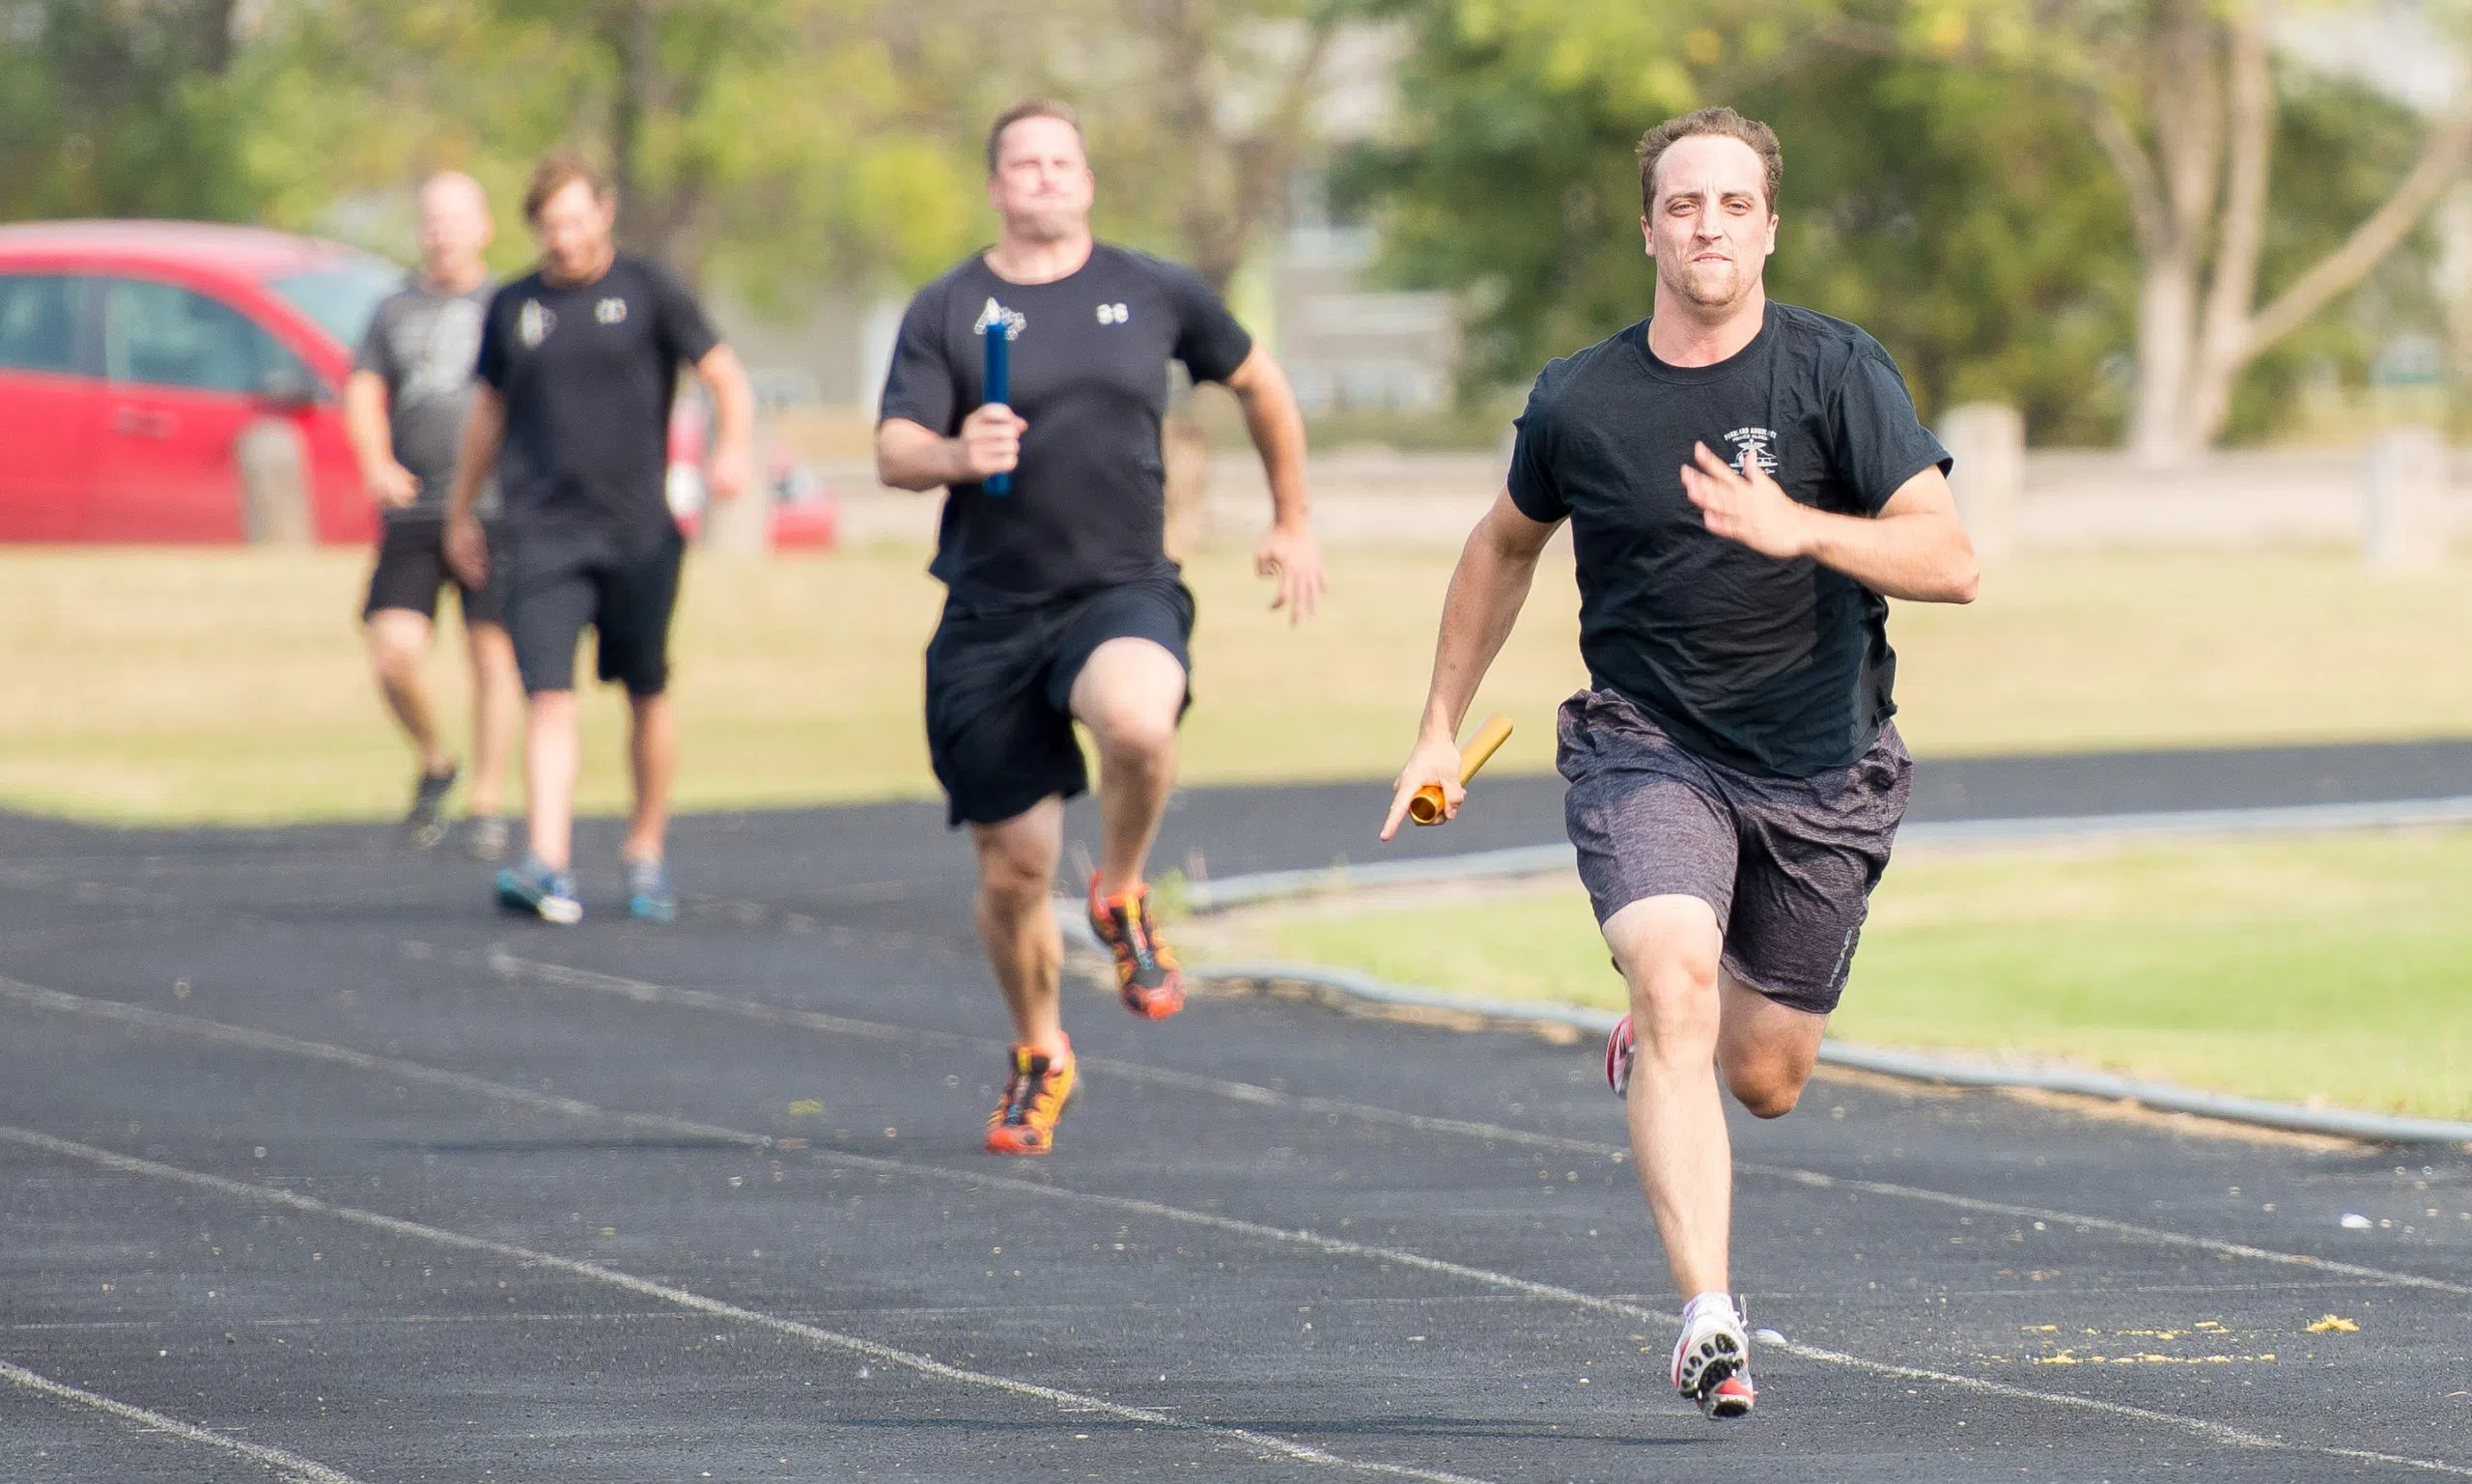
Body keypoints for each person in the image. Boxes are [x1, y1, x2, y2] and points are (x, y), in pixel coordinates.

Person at [1380, 106, 1978, 1418]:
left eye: (1734, 205)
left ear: (1770, 225)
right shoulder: (1582, 398)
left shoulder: (1836, 373)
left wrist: (1799, 526)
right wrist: (1438, 723)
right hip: (1648, 743)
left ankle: (1668, 1028)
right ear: (1648, 225)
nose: (1708, 226)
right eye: (1684, 204)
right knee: (1676, 975)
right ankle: (1709, 1313)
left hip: (1824, 766)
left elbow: (1953, 561)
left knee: (1763, 1075)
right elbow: (1501, 546)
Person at [875, 98, 1326, 1157]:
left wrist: (1291, 519)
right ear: (995, 186)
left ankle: (1120, 889)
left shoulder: (1153, 289)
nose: (1041, 176)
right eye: (1021, 163)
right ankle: (1041, 1052)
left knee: (1137, 722)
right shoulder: (952, 307)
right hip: (988, 612)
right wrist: (956, 453)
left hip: (1119, 587)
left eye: (1059, 160)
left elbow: (1261, 384)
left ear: (1086, 180)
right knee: (1012, 872)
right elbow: (895, 447)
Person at [442, 154, 754, 925]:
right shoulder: (514, 306)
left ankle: (645, 849)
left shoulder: (649, 291)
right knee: (547, 692)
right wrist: (459, 511)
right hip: (543, 530)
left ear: (604, 214)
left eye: (577, 222)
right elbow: (488, 413)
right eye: (552, 227)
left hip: (638, 532)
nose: (566, 239)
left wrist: (733, 448)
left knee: (646, 688)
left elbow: (726, 376)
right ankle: (547, 861)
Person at [345, 171, 520, 858]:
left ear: (484, 227)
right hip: (415, 510)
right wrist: (377, 461)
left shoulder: (507, 305)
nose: (443, 234)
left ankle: (487, 801)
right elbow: (362, 390)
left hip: (492, 508)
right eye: (433, 221)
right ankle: (435, 756)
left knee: (492, 654)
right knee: (393, 652)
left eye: (456, 220)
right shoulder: (392, 312)